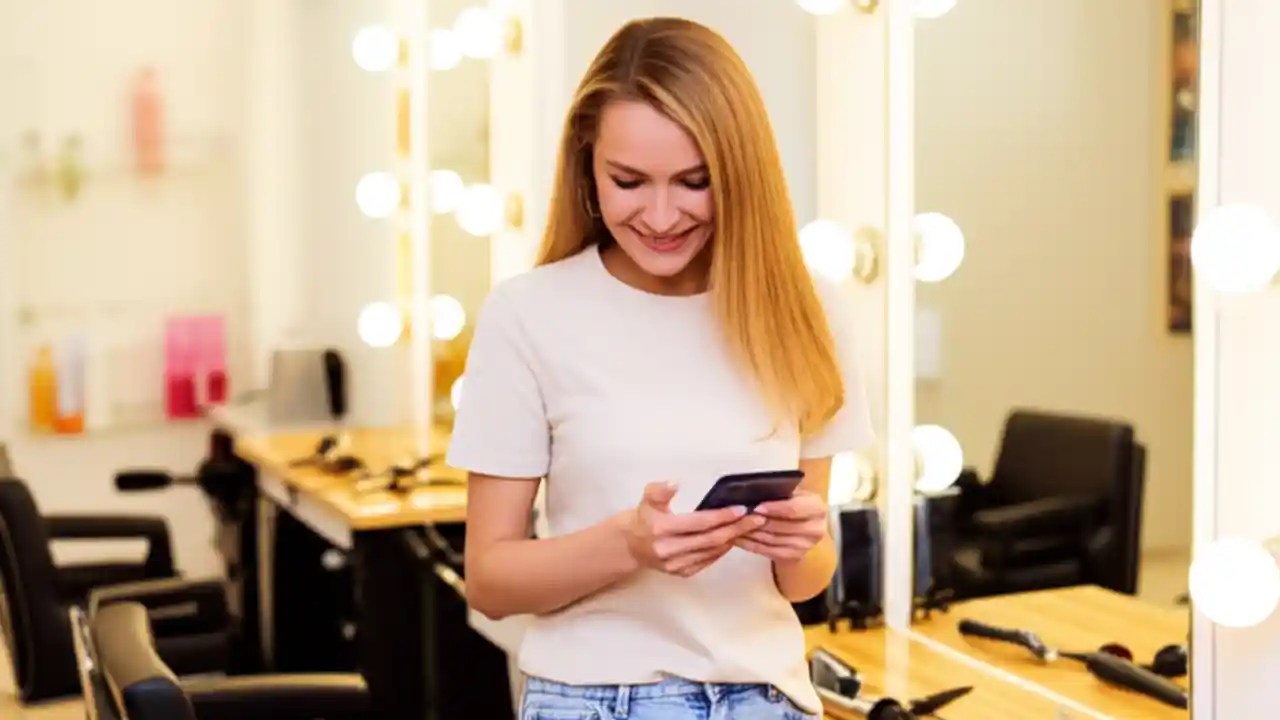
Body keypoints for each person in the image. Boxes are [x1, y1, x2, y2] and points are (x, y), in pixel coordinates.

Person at [447, 16, 873, 720]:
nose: (662, 214)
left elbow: (803, 582)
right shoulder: (530, 314)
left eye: (694, 181)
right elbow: (490, 579)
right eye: (629, 181)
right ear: (588, 164)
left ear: (740, 173)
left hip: (768, 697)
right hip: (590, 699)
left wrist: (800, 541)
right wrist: (628, 544)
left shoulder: (807, 309)